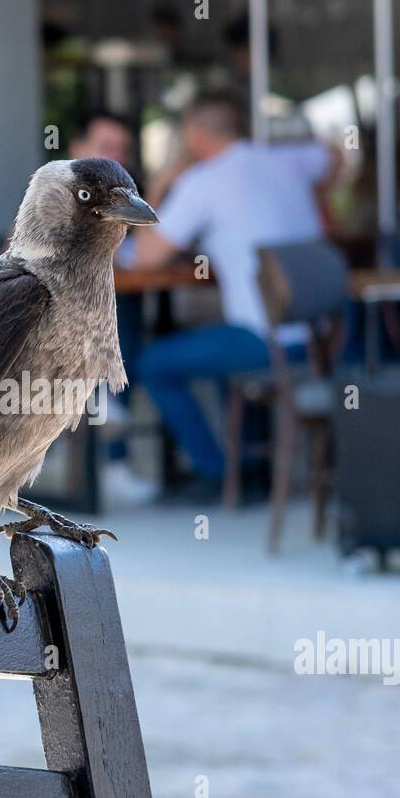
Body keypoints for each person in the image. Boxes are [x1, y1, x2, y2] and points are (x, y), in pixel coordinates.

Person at [131, 91, 340, 498]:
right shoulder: (288, 160)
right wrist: (316, 196)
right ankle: (251, 466)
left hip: (267, 342)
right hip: (322, 337)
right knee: (224, 340)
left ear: (194, 137)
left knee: (153, 362)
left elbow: (144, 258)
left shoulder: (201, 182)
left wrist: (157, 186)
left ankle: (218, 473)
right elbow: (336, 154)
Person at [67, 110, 158, 507]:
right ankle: (102, 398)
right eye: (106, 148)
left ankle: (108, 406)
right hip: (59, 327)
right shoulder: (56, 194)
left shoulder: (126, 196)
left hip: (117, 302)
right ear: (78, 150)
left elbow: (151, 246)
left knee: (128, 312)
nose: (116, 158)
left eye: (122, 149)